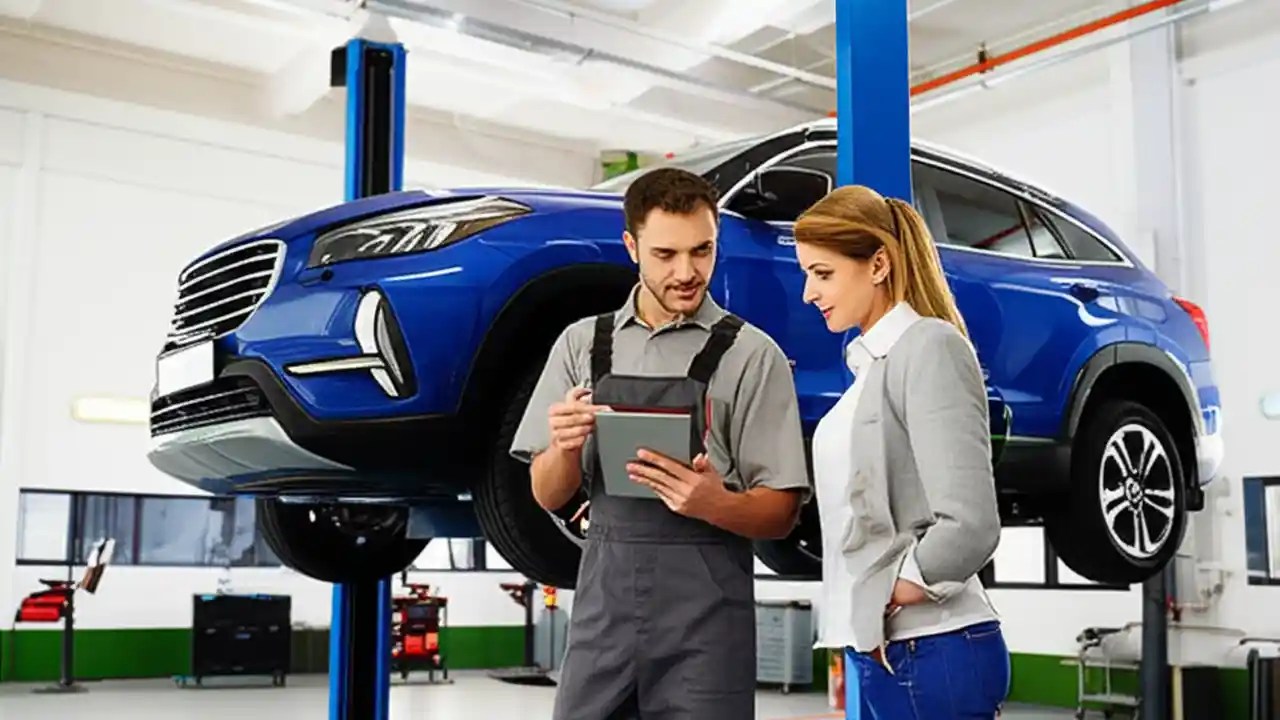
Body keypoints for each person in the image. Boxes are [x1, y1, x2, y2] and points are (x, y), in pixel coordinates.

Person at [509, 167, 813, 719]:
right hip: (604, 613)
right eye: (666, 254)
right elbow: (547, 494)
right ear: (632, 246)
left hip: (707, 623)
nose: (687, 272)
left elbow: (782, 513)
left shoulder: (752, 355)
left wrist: (714, 503)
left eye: (703, 251)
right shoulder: (582, 344)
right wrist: (565, 447)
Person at [793, 184, 1011, 718]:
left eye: (822, 274)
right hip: (892, 650)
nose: (807, 292)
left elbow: (970, 523)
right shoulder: (871, 368)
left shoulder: (929, 346)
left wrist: (887, 591)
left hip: (932, 648)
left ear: (878, 264)